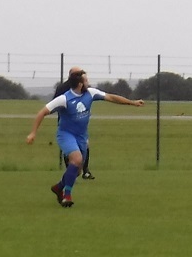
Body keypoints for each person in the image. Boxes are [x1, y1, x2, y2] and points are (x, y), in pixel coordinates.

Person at [26, 67, 144, 207]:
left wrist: (132, 102)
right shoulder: (64, 99)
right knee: (76, 159)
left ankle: (58, 187)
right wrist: (33, 133)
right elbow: (42, 113)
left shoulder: (91, 93)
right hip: (66, 135)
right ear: (80, 84)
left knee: (77, 171)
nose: (89, 83)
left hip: (81, 136)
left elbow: (111, 97)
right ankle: (67, 196)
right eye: (86, 80)